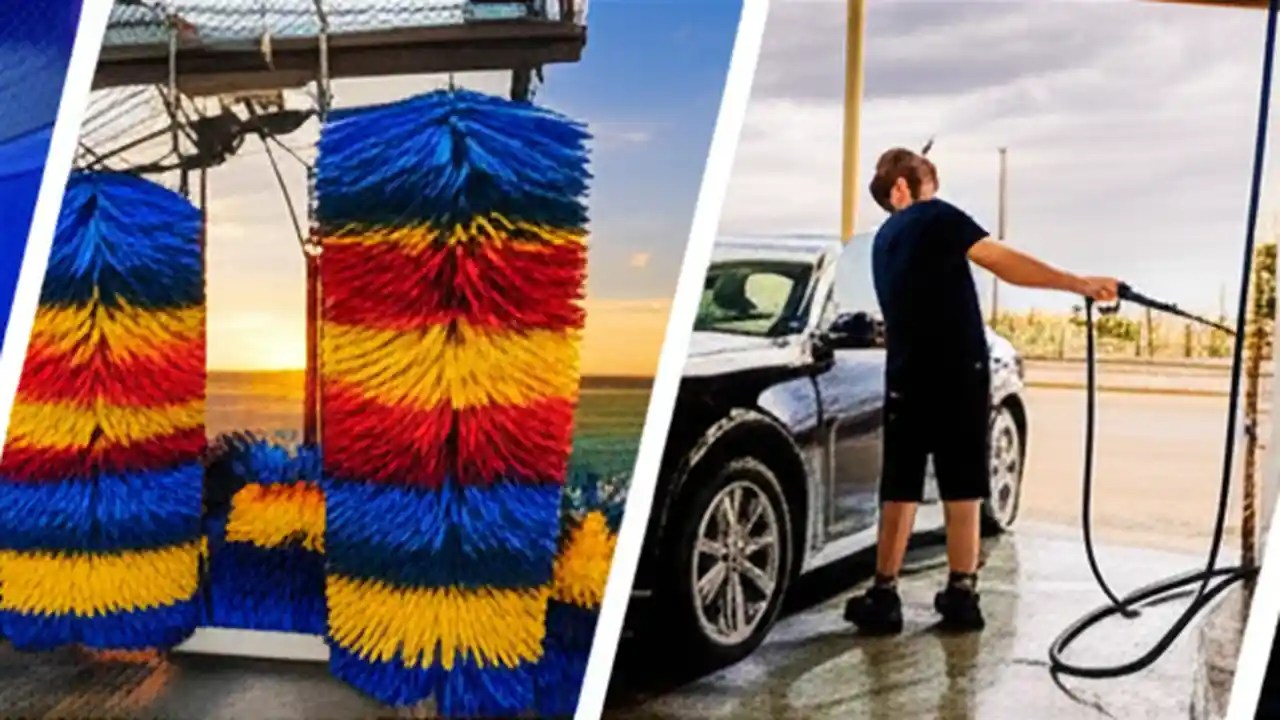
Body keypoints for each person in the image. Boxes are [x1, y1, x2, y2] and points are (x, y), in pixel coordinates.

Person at [843, 147, 1119, 634]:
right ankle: (961, 593)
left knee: (900, 483)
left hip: (906, 375)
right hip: (957, 370)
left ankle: (884, 594)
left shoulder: (883, 241)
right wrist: (1077, 283)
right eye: (926, 181)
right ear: (902, 189)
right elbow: (1001, 261)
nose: (934, 192)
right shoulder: (936, 217)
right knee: (963, 481)